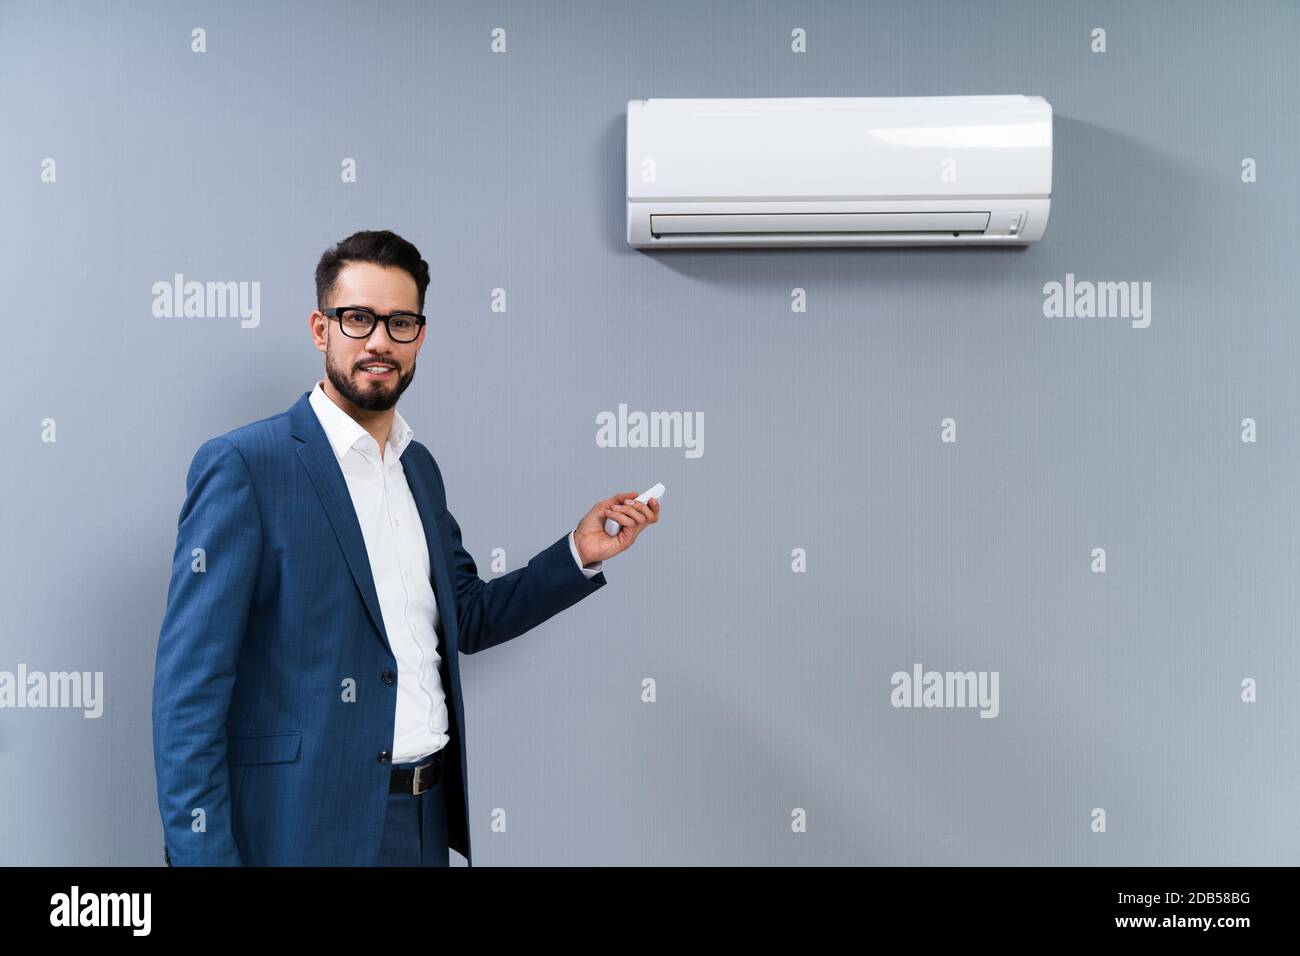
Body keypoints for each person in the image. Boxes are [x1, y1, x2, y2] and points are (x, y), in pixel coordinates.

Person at [151, 229, 660, 866]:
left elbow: (466, 616)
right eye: (358, 318)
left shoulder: (418, 468)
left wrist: (578, 553)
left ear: (420, 336)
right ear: (320, 328)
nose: (379, 342)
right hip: (299, 830)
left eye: (400, 323)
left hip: (423, 822)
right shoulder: (246, 467)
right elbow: (188, 694)